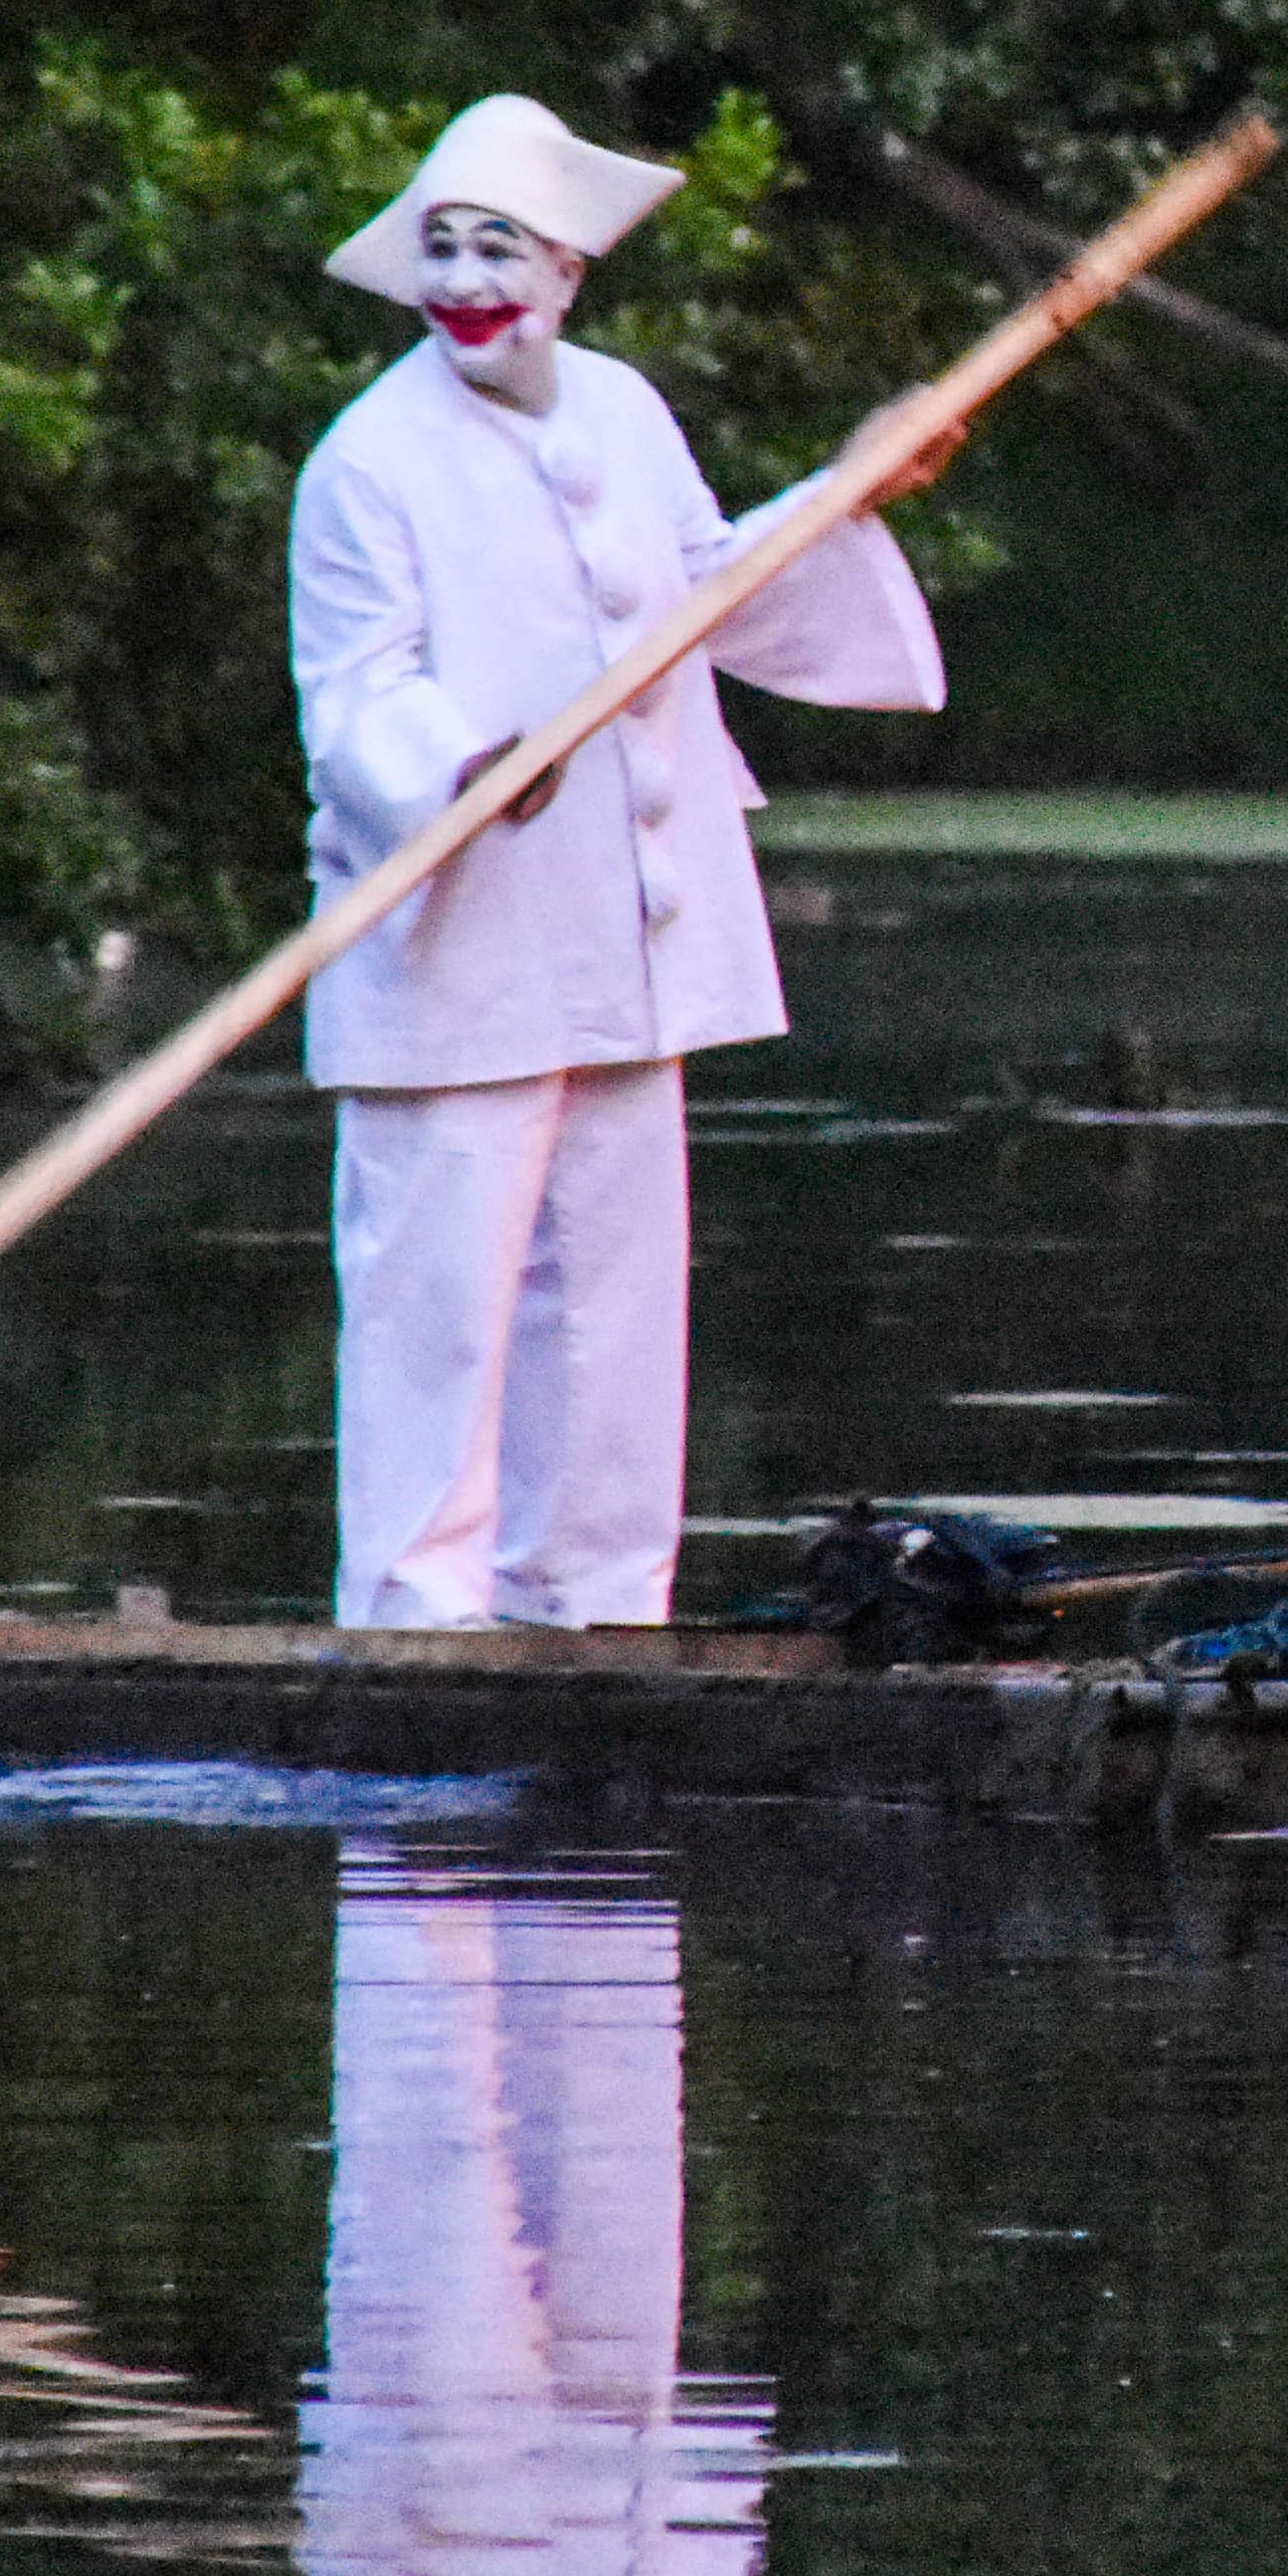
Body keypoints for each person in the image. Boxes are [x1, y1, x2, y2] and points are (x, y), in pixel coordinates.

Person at [288, 92, 955, 1630]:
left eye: (497, 250)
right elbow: (357, 692)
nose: (465, 281)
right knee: (436, 1310)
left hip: (629, 946)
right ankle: (415, 1623)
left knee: (609, 1308)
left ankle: (595, 1608)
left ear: (567, 273)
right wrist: (464, 768)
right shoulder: (367, 463)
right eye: (441, 251)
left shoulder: (622, 407)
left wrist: (852, 489)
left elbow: (707, 586)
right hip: (453, 949)